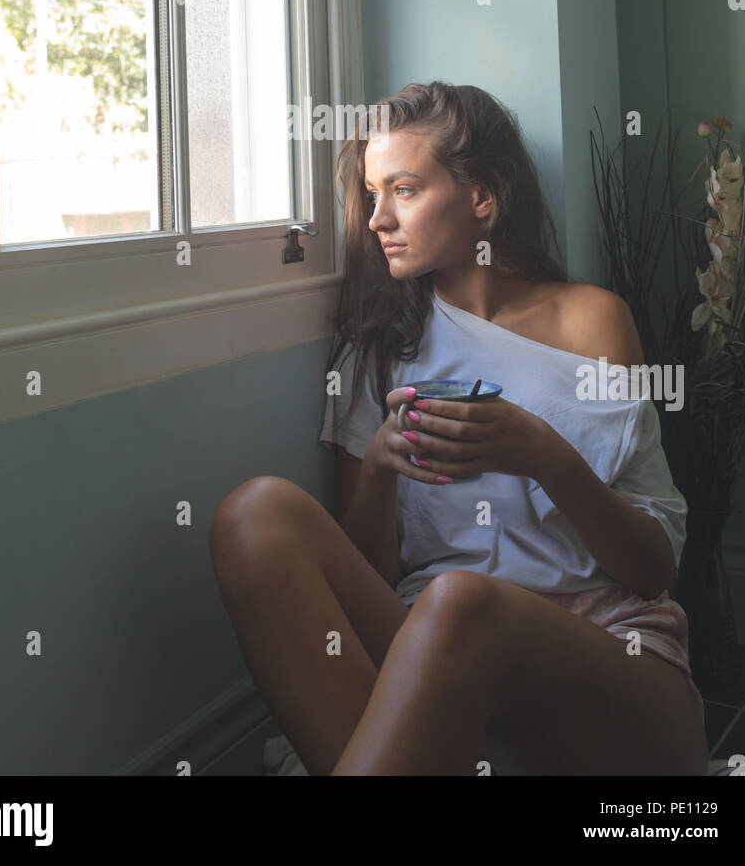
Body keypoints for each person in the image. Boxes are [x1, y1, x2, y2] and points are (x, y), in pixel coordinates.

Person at [208, 81, 709, 776]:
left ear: (482, 196)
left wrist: (543, 456)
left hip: (601, 659)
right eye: (372, 193)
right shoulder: (376, 349)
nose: (378, 217)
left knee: (461, 601)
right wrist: (380, 470)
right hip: (426, 654)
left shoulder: (590, 320)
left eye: (404, 190)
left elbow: (653, 569)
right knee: (254, 516)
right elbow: (369, 581)